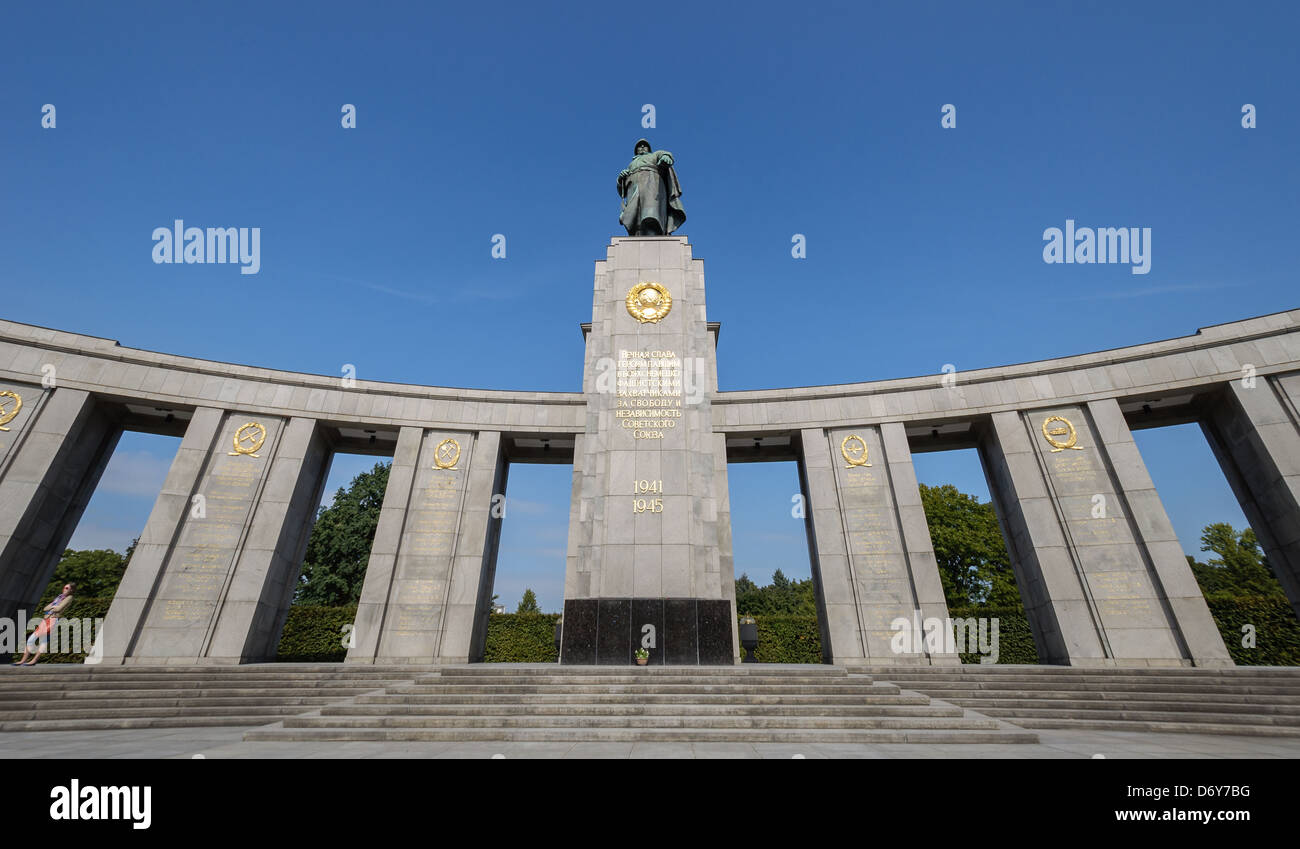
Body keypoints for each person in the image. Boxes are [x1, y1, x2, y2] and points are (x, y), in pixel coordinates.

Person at [617, 138, 686, 236]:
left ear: (649, 148)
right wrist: (621, 179)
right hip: (634, 191)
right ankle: (638, 235)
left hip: (652, 187)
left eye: (644, 145)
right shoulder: (631, 164)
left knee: (651, 215)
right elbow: (621, 190)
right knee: (634, 218)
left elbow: (665, 154)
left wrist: (666, 157)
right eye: (639, 146)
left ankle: (653, 234)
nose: (642, 147)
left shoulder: (654, 155)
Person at [12, 583, 75, 666]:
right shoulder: (59, 597)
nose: (64, 589)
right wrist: (54, 606)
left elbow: (58, 609)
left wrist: (53, 606)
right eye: (64, 587)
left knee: (43, 641)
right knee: (31, 639)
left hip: (53, 620)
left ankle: (33, 660)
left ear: (71, 590)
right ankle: (23, 660)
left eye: (67, 588)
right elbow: (45, 608)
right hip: (46, 620)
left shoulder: (69, 597)